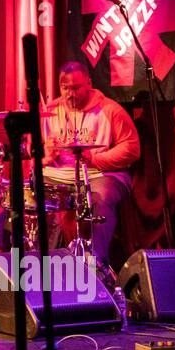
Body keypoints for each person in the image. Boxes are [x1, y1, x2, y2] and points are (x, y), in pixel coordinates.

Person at [39, 60, 141, 272]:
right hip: (59, 175)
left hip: (101, 173)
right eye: (64, 88)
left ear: (89, 83)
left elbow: (131, 148)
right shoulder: (49, 112)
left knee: (99, 198)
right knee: (29, 196)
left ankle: (96, 266)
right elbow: (35, 153)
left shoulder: (110, 110)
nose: (70, 94)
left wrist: (95, 159)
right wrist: (46, 158)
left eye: (76, 88)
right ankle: (40, 268)